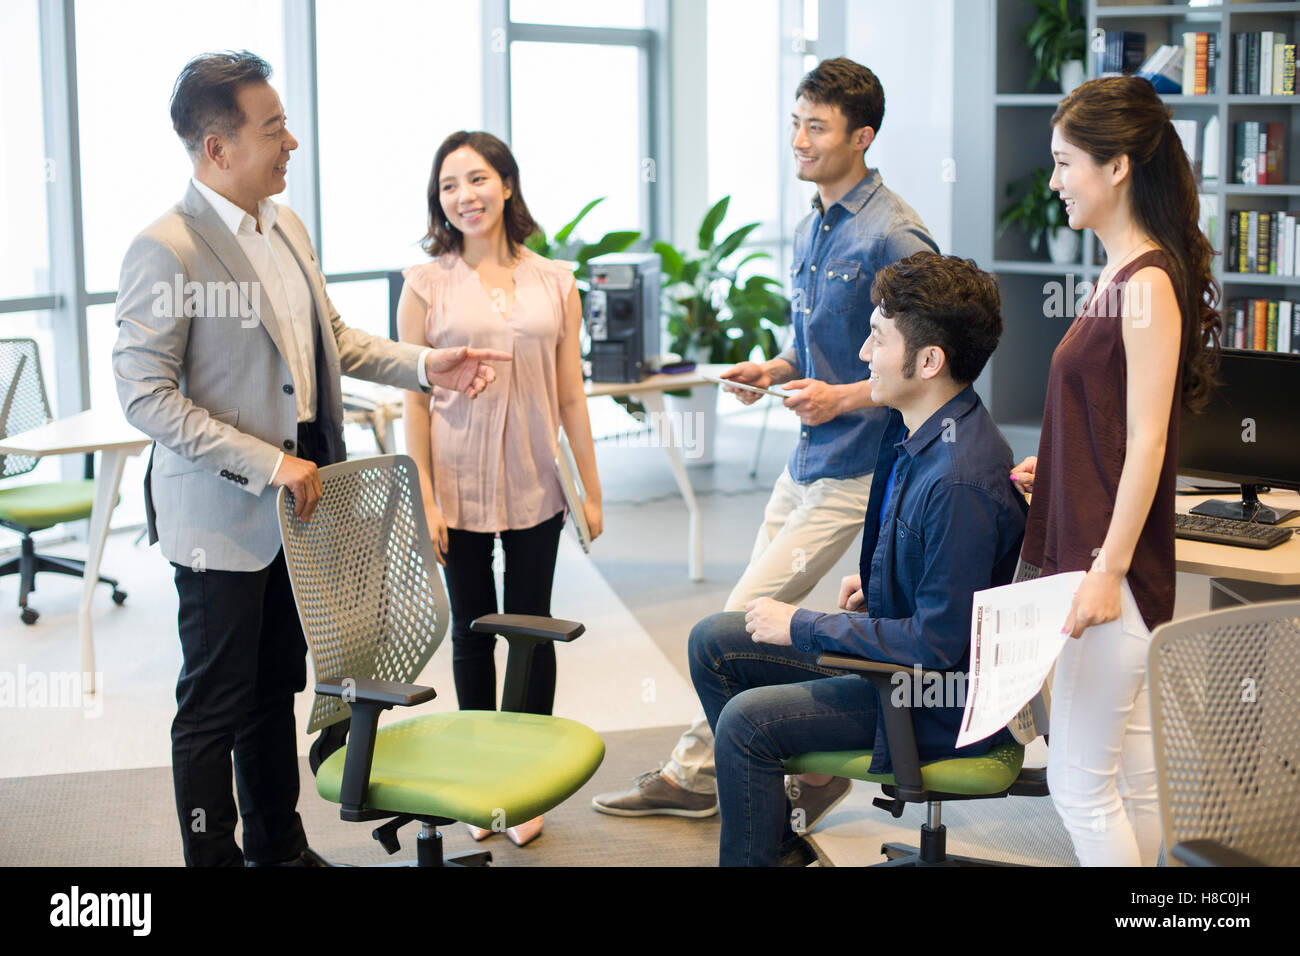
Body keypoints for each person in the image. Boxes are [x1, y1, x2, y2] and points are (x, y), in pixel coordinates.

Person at [112, 52, 509, 867]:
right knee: (215, 701)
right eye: (272, 129)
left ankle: (280, 849)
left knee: (278, 686)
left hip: (305, 510)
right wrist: (264, 462)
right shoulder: (167, 249)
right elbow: (145, 396)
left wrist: (422, 364)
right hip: (223, 514)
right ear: (217, 149)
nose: (291, 141)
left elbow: (329, 339)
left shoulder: (285, 224)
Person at [593, 57, 939, 826]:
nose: (799, 140)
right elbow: (810, 343)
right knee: (741, 620)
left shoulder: (895, 233)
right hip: (805, 462)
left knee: (740, 618)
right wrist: (776, 369)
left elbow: (931, 358)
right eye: (795, 123)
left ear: (863, 136)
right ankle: (808, 776)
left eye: (816, 127)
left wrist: (841, 394)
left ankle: (697, 773)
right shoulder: (813, 222)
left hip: (859, 469)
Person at [688, 252, 1025, 866]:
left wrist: (805, 624)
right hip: (905, 669)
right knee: (714, 640)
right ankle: (777, 844)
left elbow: (936, 647)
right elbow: (938, 584)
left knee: (746, 723)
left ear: (928, 360)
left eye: (877, 339)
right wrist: (879, 586)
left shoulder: (959, 480)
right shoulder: (920, 427)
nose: (864, 355)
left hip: (930, 701)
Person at [1009, 76, 1221, 867]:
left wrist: (1107, 569)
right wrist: (1059, 462)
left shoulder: (1147, 283)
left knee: (1078, 787)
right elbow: (1105, 416)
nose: (1055, 181)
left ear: (1119, 166)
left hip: (1111, 577)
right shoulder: (1119, 272)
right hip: (1103, 560)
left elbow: (1149, 441)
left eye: (1066, 163)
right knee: (1133, 780)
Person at [398, 131, 603, 849]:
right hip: (454, 482)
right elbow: (414, 400)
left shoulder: (556, 279)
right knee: (472, 631)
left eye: (477, 179)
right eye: (449, 186)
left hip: (535, 483)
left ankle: (524, 778)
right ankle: (479, 775)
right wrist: (422, 493)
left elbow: (572, 392)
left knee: (531, 626)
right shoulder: (424, 283)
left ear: (508, 185)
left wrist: (592, 485)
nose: (465, 197)